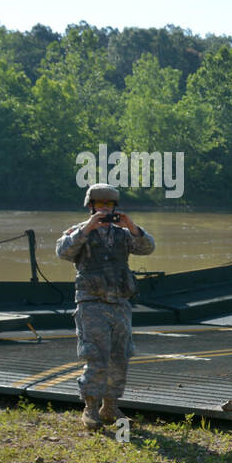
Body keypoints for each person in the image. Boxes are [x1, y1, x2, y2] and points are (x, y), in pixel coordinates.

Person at [55, 183, 155, 429]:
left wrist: (132, 226)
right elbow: (63, 252)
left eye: (108, 205)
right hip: (92, 304)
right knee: (95, 356)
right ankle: (90, 408)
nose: (104, 208)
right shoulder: (79, 232)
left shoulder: (123, 234)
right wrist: (87, 229)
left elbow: (148, 247)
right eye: (99, 204)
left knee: (120, 357)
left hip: (120, 304)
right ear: (90, 206)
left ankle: (110, 407)